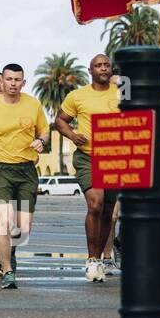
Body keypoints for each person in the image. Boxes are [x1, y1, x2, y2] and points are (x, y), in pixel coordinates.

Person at [0, 64, 48, 290]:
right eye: (9, 79)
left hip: (26, 171)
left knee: (23, 228)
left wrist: (41, 141)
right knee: (4, 220)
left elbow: (44, 130)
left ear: (23, 82)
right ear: (1, 82)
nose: (13, 83)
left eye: (17, 80)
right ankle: (7, 269)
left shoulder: (33, 104)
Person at [56, 53, 120, 282]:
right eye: (98, 65)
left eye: (106, 65)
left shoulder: (123, 92)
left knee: (108, 213)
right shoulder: (78, 96)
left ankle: (102, 258)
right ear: (90, 70)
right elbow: (60, 120)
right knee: (96, 203)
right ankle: (92, 259)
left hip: (114, 159)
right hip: (88, 157)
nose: (103, 68)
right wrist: (72, 135)